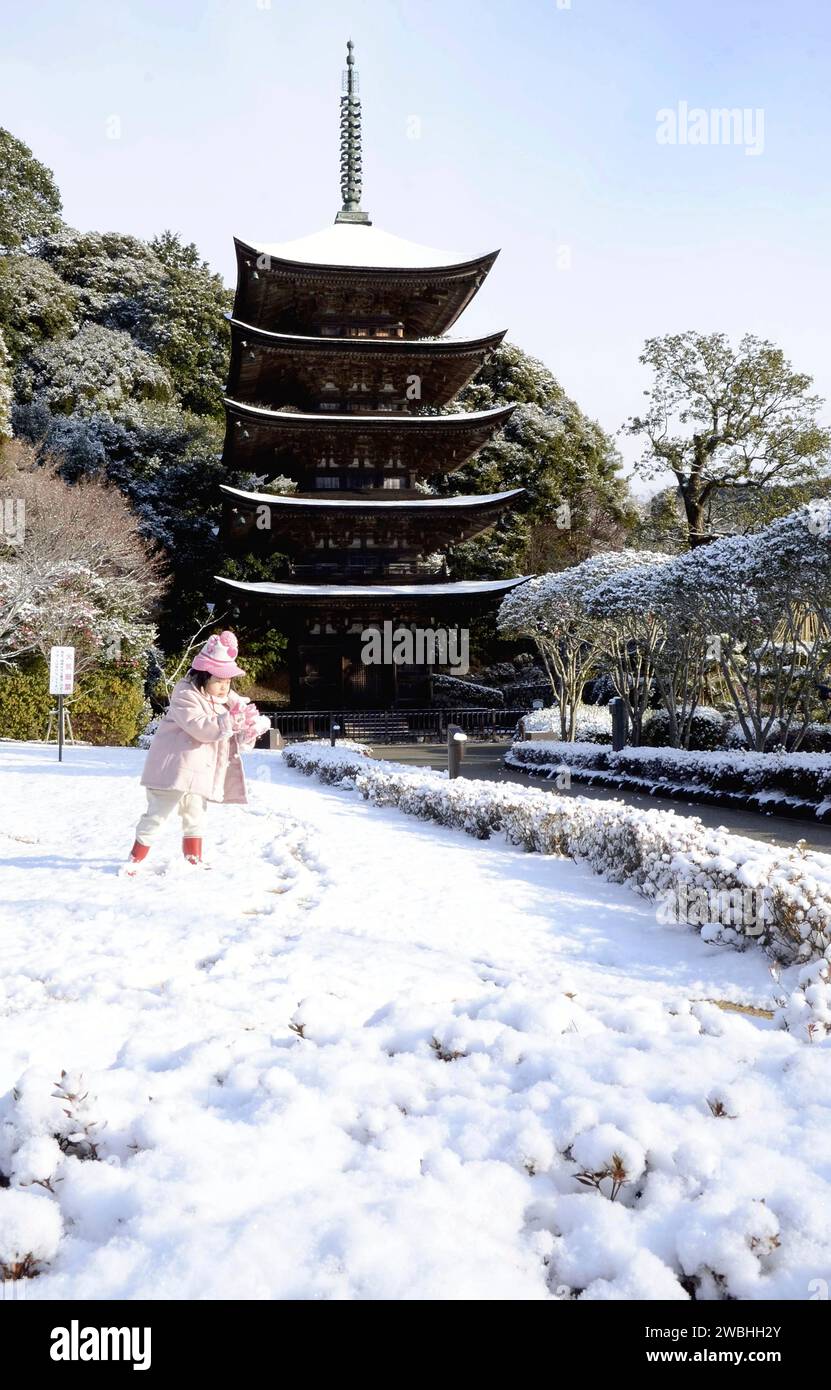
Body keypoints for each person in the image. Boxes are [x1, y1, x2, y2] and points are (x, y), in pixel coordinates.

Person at [123, 630, 269, 873]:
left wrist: (248, 729)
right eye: (218, 681)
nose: (224, 687)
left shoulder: (225, 701)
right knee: (157, 816)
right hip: (173, 772)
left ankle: (193, 859)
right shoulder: (185, 696)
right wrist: (231, 721)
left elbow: (231, 738)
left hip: (198, 772)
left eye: (228, 681)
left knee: (196, 815)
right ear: (202, 677)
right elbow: (201, 728)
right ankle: (134, 860)